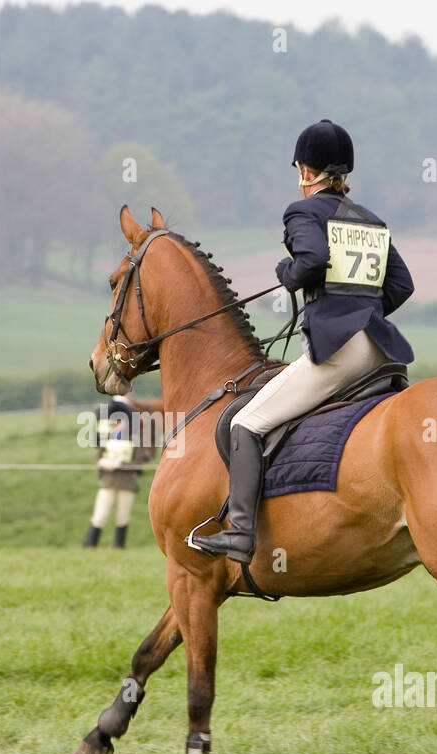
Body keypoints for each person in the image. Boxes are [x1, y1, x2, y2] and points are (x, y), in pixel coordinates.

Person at [190, 119, 415, 564]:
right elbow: (401, 285)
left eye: (299, 168)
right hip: (380, 350)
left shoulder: (303, 211)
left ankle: (239, 532)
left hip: (339, 351)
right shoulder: (369, 220)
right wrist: (359, 307)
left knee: (245, 423)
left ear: (306, 171)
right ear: (344, 173)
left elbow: (311, 260)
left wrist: (286, 274)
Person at [83, 394, 152, 549]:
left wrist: (120, 464)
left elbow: (137, 462)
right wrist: (103, 463)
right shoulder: (107, 439)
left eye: (119, 421)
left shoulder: (134, 441)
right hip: (108, 482)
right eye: (114, 421)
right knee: (100, 515)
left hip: (127, 483)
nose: (116, 424)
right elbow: (98, 458)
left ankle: (119, 546)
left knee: (123, 516)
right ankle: (89, 545)